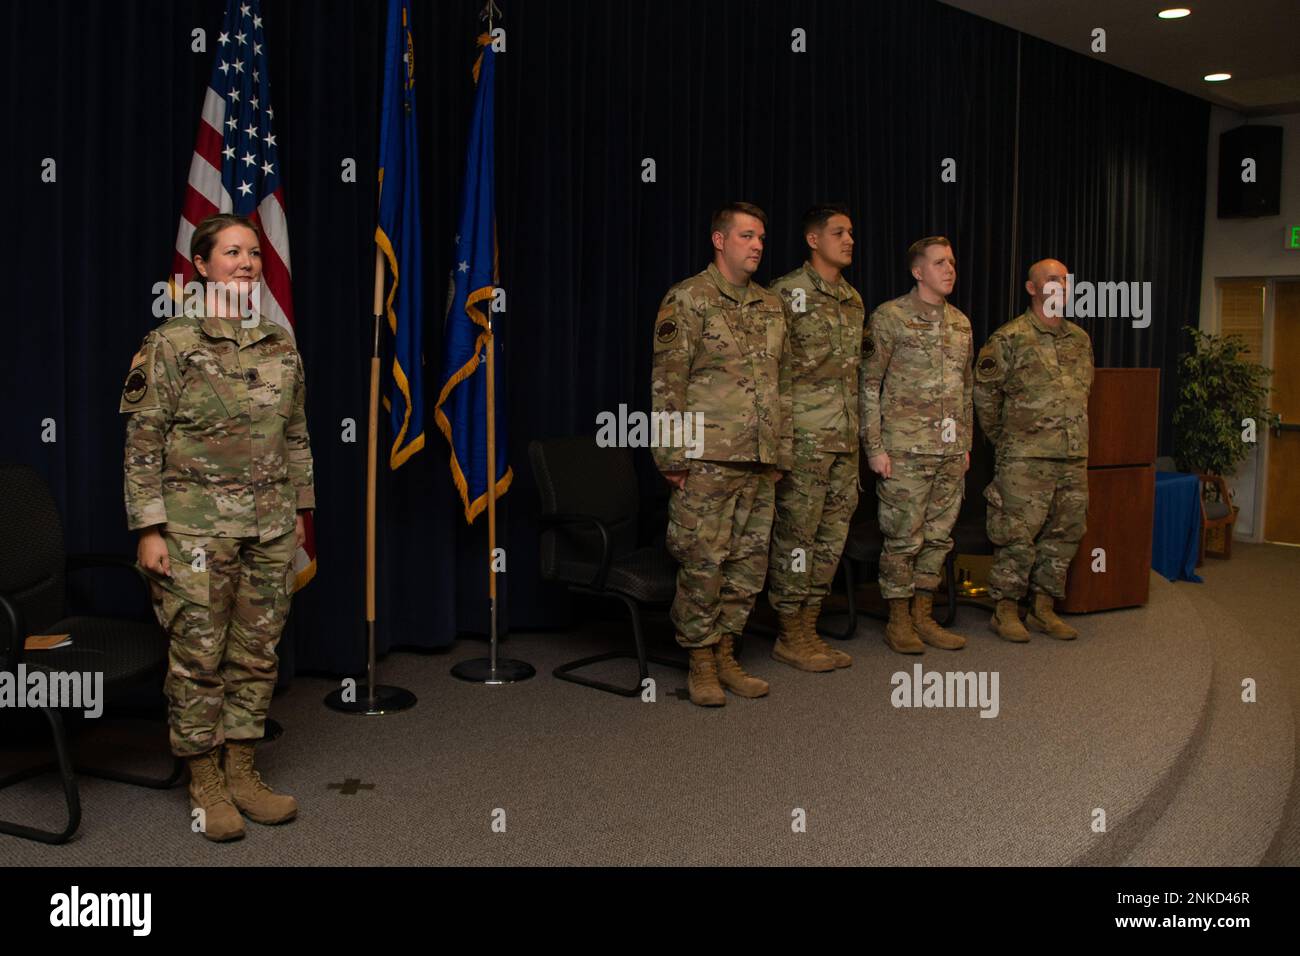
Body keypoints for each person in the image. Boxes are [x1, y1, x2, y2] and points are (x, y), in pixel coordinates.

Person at [121, 213, 315, 840]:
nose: (247, 263)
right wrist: (149, 530)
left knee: (256, 656)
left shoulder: (279, 344)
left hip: (270, 527)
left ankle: (243, 771)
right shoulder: (170, 344)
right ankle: (204, 779)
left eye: (254, 253)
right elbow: (142, 444)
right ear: (201, 266)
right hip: (194, 533)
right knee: (198, 657)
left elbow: (296, 435)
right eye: (232, 252)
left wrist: (302, 514)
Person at [651, 202, 792, 706]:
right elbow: (669, 383)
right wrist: (672, 457)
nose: (757, 245)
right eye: (747, 236)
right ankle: (701, 660)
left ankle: (727, 650)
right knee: (703, 563)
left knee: (748, 565)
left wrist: (782, 452)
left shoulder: (772, 304)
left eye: (761, 237)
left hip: (760, 457)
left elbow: (784, 384)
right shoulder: (688, 299)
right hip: (706, 457)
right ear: (720, 239)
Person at [859, 236, 972, 654]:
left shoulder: (961, 323)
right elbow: (869, 385)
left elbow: (966, 388)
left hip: (948, 451)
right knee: (903, 538)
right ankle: (899, 620)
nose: (949, 270)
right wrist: (874, 448)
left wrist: (965, 445)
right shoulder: (890, 318)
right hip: (904, 450)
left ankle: (925, 615)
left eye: (953, 262)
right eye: (940, 263)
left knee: (939, 538)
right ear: (917, 271)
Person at [766, 204, 864, 671]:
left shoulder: (853, 299)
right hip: (804, 439)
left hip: (845, 441)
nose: (848, 240)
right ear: (813, 239)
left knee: (830, 541)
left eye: (851, 233)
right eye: (838, 232)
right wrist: (780, 444)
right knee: (798, 541)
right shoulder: (784, 294)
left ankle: (810, 624)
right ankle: (789, 632)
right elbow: (771, 374)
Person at [974, 258, 1093, 642]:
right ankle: (1005, 610)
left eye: (1066, 280)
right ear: (1032, 288)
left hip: (1072, 456)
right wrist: (1009, 441)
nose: (1061, 285)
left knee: (1065, 534)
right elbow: (985, 398)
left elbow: (1084, 393)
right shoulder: (1009, 339)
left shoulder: (1079, 339)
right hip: (1024, 459)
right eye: (1052, 279)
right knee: (1016, 535)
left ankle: (1043, 609)